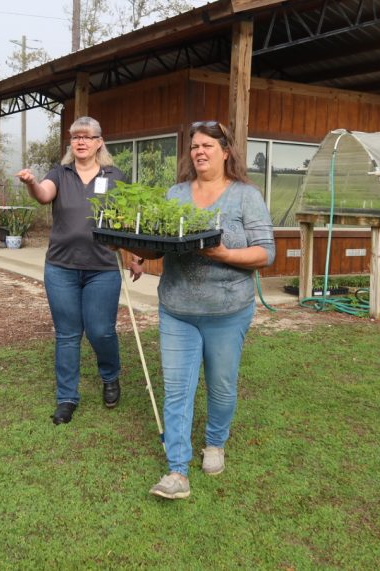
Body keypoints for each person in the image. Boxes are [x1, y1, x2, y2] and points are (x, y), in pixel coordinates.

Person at [142, 121, 274, 500]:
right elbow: (160, 243)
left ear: (225, 151)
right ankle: (176, 471)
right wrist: (137, 250)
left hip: (228, 310)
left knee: (221, 385)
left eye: (207, 145)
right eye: (194, 146)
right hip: (177, 308)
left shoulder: (245, 196)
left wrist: (224, 254)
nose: (199, 151)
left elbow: (266, 252)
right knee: (177, 388)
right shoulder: (176, 193)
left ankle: (215, 443)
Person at [17, 116, 143, 425]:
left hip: (103, 267)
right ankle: (67, 397)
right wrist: (32, 183)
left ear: (100, 142)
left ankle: (110, 375)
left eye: (87, 137)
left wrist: (135, 256)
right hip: (61, 267)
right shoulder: (60, 173)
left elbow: (125, 220)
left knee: (101, 330)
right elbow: (44, 194)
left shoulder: (115, 176)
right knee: (68, 334)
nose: (81, 141)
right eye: (75, 137)